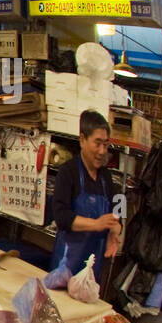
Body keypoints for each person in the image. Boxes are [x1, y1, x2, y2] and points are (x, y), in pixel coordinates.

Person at [50, 109, 121, 279]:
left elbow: (120, 208)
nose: (102, 151)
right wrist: (96, 224)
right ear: (82, 140)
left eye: (106, 144)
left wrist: (114, 231)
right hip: (65, 266)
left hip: (92, 269)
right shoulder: (68, 172)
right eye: (97, 143)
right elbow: (61, 217)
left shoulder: (106, 177)